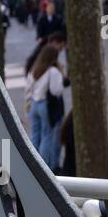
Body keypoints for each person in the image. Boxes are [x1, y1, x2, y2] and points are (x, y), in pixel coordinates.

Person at [28, 41, 68, 171]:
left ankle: (33, 163)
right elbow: (56, 90)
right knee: (47, 136)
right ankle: (43, 167)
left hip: (34, 103)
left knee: (35, 136)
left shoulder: (35, 69)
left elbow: (29, 87)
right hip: (46, 105)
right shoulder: (53, 71)